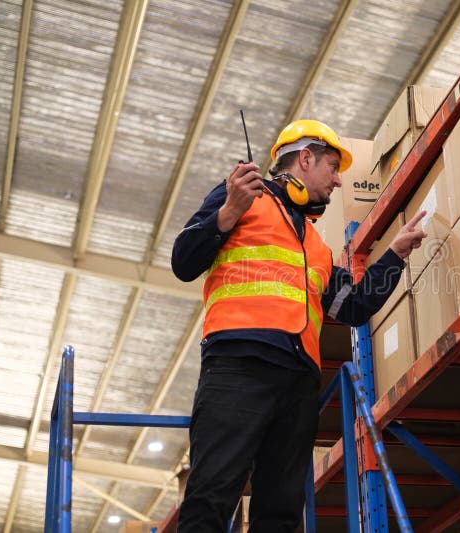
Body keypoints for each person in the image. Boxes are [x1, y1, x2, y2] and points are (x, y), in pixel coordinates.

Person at [171, 119, 426, 532]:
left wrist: (394, 256)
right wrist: (229, 210)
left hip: (297, 385)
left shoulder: (316, 246)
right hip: (239, 365)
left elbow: (354, 306)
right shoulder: (242, 197)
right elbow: (183, 261)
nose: (339, 181)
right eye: (333, 167)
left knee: (281, 514)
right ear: (305, 159)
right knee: (211, 497)